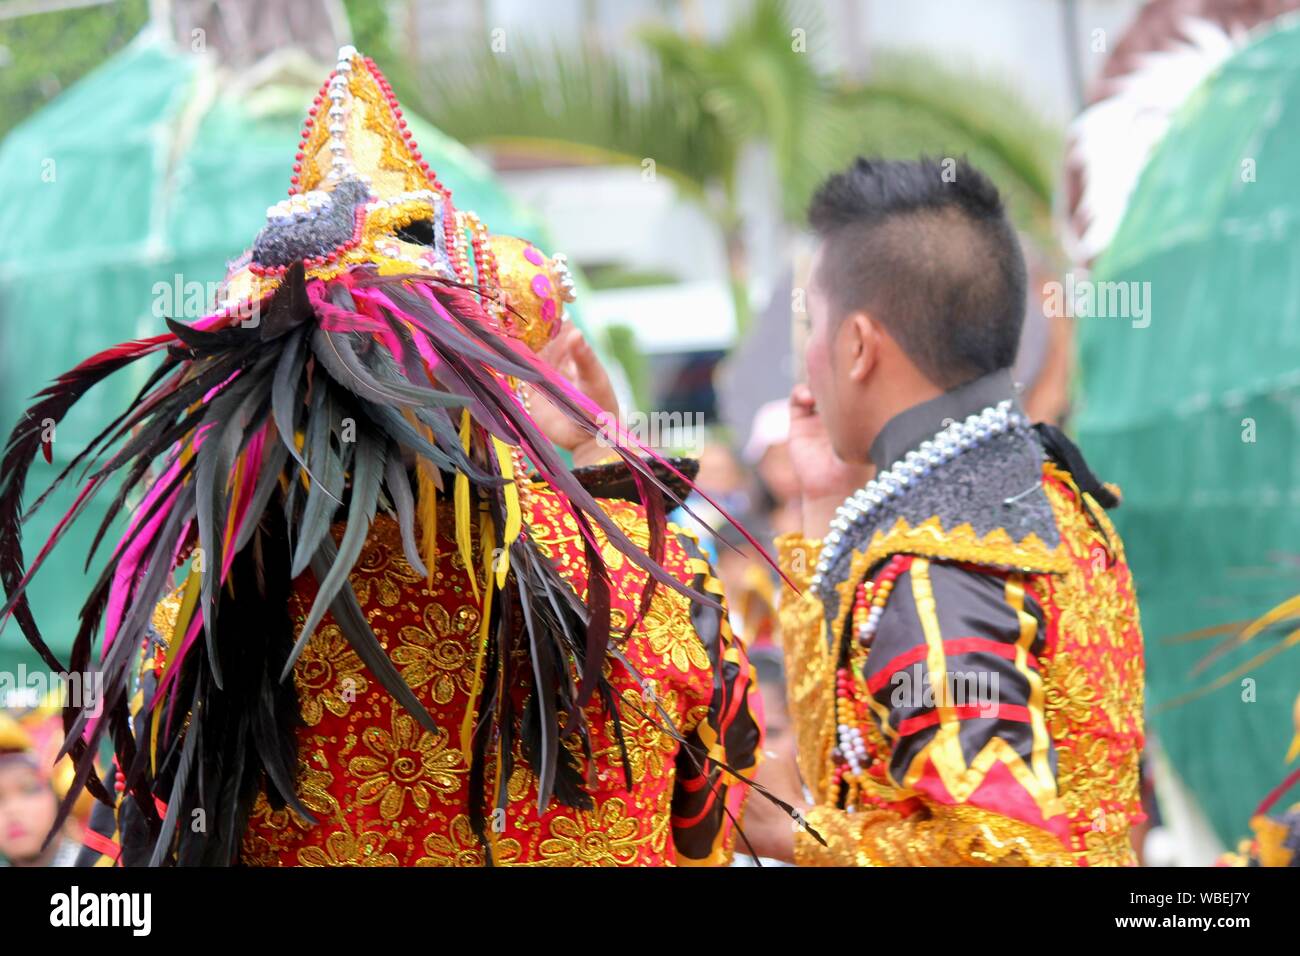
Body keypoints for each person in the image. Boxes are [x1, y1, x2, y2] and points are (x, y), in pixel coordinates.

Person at [0, 47, 764, 867]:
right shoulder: (638, 566)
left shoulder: (198, 606)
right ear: (484, 366)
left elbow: (153, 841)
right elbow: (705, 822)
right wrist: (598, 449)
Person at [742, 156, 1146, 866]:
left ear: (859, 346)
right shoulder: (1044, 488)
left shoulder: (939, 564)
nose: (806, 358)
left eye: (813, 326)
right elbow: (852, 754)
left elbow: (1005, 854)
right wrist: (826, 501)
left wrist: (797, 834)